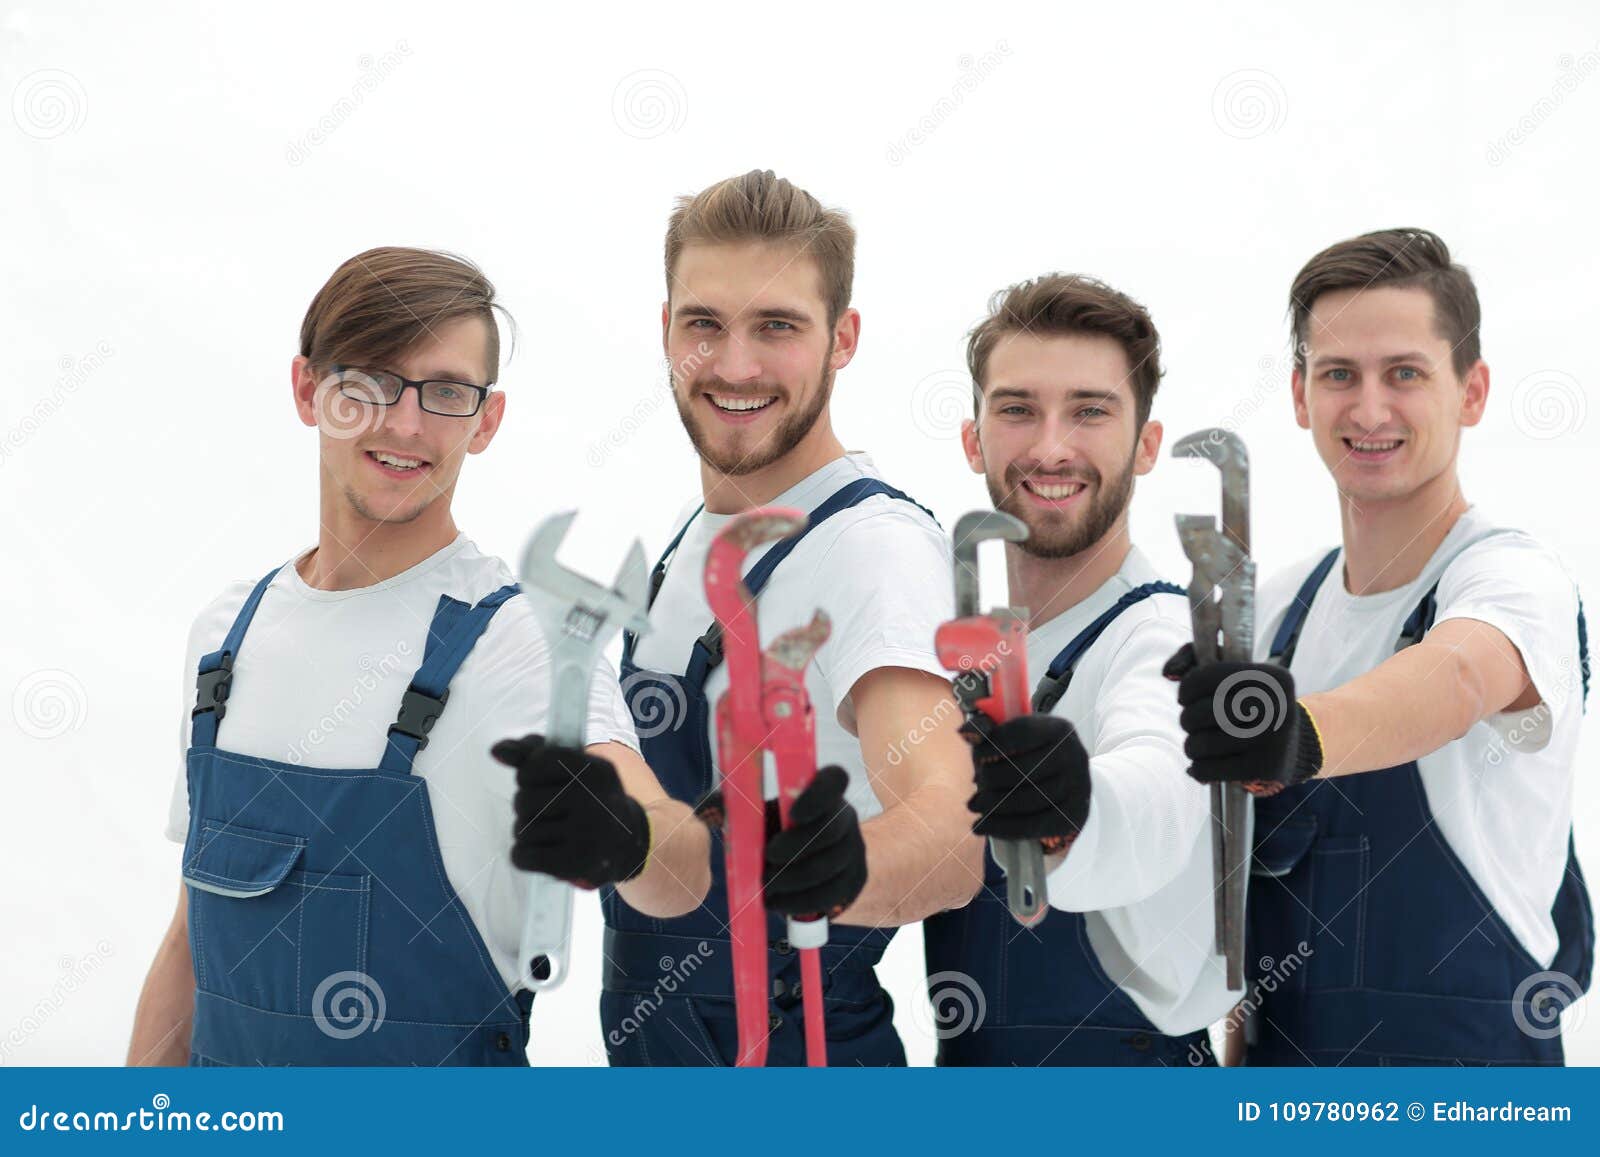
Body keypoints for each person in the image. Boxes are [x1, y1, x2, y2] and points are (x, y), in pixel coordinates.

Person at [126, 248, 710, 1067]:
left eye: (445, 392)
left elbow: (678, 870)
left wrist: (629, 834)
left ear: (487, 418)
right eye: (369, 380)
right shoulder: (228, 636)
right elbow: (193, 944)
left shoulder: (521, 644)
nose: (404, 424)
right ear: (308, 389)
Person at [1170, 228, 1593, 1065]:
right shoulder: (1281, 609)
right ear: (1298, 395)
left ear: (1471, 390)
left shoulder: (1509, 577)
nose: (1368, 410)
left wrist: (1298, 735)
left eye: (1404, 373)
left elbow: (1460, 674)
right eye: (1338, 375)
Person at [591, 169, 981, 1066]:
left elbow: (950, 832)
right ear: (665, 331)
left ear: (843, 338)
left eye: (777, 327)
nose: (734, 366)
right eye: (705, 324)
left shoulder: (868, 549)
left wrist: (833, 867)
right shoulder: (699, 536)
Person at [925, 273, 1235, 1065]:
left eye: (1090, 411)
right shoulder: (981, 655)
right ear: (974, 439)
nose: (1051, 445)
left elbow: (1161, 786)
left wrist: (1077, 809)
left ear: (1147, 444)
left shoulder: (1165, 635)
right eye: (1018, 407)